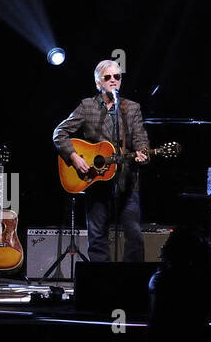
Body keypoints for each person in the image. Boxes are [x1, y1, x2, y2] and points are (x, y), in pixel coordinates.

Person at [53, 59, 149, 262]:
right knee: (97, 237)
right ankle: (102, 285)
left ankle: (134, 284)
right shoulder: (87, 106)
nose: (114, 80)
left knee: (135, 236)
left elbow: (141, 141)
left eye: (117, 76)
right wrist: (74, 158)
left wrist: (142, 153)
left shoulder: (131, 108)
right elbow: (59, 133)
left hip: (126, 183)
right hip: (96, 182)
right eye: (108, 77)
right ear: (98, 82)